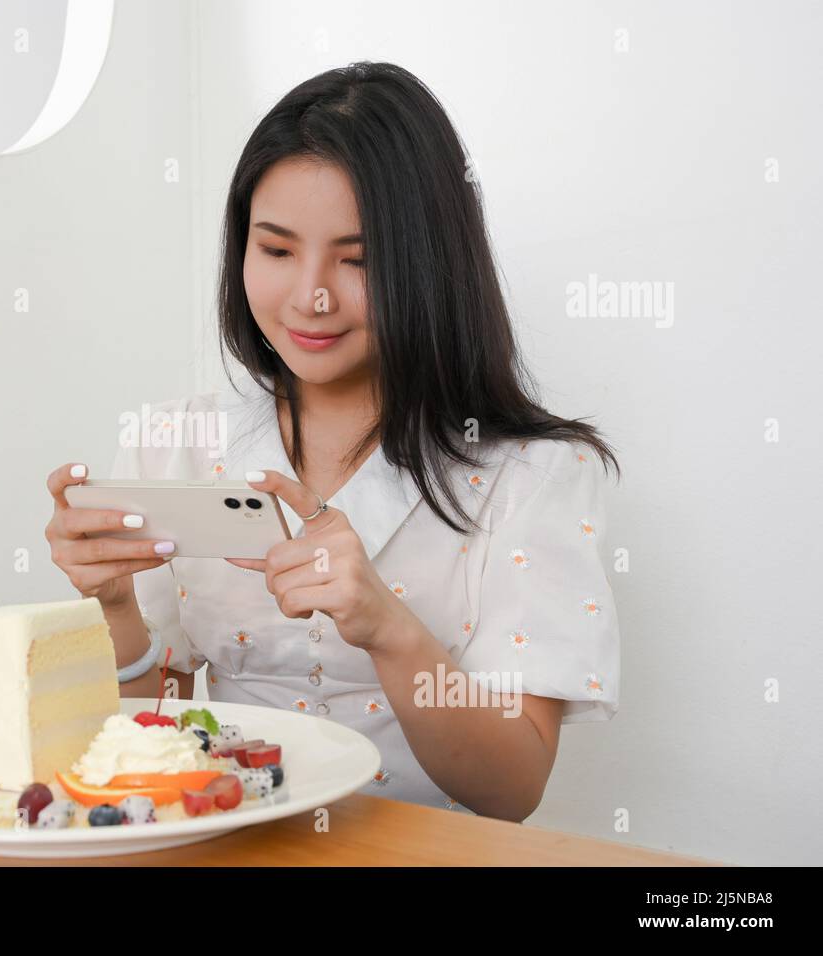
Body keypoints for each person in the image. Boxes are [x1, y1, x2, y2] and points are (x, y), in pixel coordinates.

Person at [45, 62, 620, 822]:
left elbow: (511, 789)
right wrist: (115, 609)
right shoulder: (174, 441)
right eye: (277, 250)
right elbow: (160, 728)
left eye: (360, 260)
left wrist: (387, 627)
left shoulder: (534, 474)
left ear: (431, 265)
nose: (310, 294)